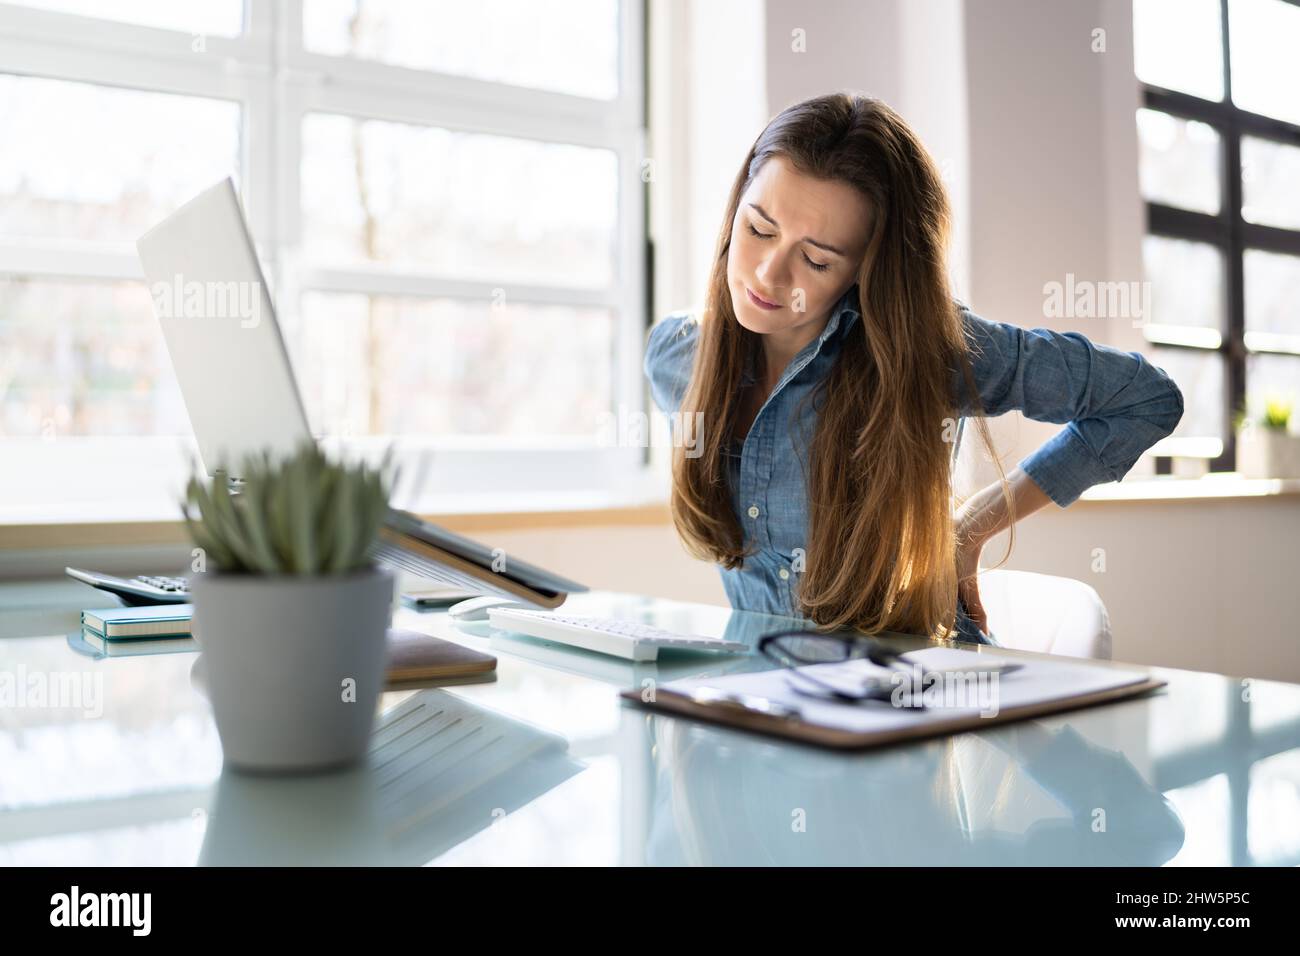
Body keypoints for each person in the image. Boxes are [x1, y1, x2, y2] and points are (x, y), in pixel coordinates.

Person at [644, 92, 1184, 645]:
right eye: (758, 229)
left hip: (919, 699)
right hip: (765, 702)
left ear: (867, 270)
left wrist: (968, 529)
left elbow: (1144, 399)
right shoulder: (676, 358)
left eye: (817, 259)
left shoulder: (930, 350)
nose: (767, 275)